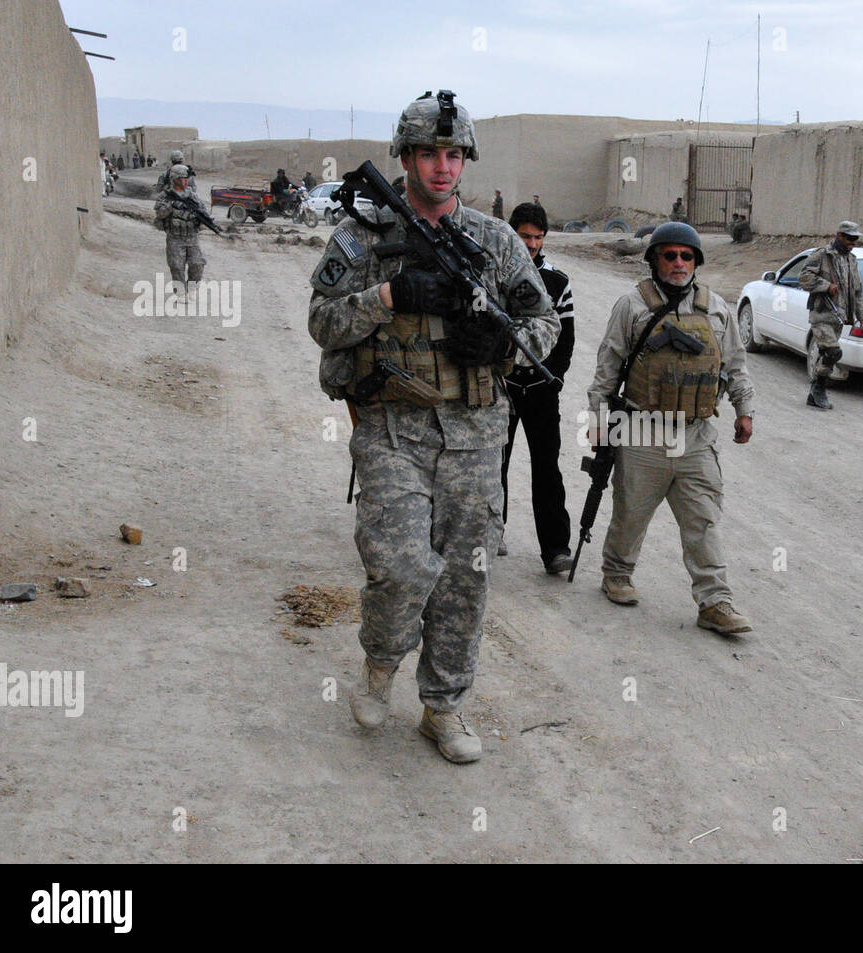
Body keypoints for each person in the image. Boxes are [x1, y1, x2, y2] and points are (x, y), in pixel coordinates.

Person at [307, 90, 558, 764]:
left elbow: (545, 324)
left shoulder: (496, 240)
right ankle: (380, 665)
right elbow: (323, 323)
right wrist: (387, 296)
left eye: (453, 154)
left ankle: (442, 708)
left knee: (465, 577)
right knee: (400, 563)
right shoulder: (364, 236)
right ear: (406, 156)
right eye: (428, 153)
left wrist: (499, 345)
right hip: (393, 428)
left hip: (476, 433)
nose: (441, 166)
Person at [587, 222, 755, 636]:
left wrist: (744, 410)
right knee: (631, 513)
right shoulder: (632, 305)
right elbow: (607, 369)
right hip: (643, 431)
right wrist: (597, 424)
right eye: (670, 255)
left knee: (703, 519)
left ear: (696, 261)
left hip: (697, 436)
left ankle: (715, 602)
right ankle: (617, 574)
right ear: (655, 260)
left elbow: (735, 365)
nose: (679, 263)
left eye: (687, 256)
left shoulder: (716, 308)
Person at [500, 202, 575, 573]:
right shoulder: (493, 275)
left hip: (542, 392)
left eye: (537, 236)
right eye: (524, 235)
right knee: (492, 463)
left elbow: (566, 338)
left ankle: (556, 550)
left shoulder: (558, 282)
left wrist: (554, 379)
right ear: (511, 233)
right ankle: (488, 532)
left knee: (547, 469)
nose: (530, 243)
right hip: (501, 389)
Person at [798, 220, 863, 410]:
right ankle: (818, 389)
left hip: (839, 316)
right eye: (849, 238)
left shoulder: (851, 260)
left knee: (827, 354)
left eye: (855, 239)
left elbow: (858, 290)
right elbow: (804, 277)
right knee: (833, 352)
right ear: (839, 236)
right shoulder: (822, 255)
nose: (852, 242)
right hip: (821, 314)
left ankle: (815, 392)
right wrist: (826, 286)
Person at [153, 165, 207, 293]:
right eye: (182, 178)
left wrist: (201, 218)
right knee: (177, 267)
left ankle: (191, 290)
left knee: (197, 265)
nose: (185, 181)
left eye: (186, 178)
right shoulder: (165, 196)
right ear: (175, 179)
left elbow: (203, 212)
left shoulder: (192, 196)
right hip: (175, 237)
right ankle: (181, 294)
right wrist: (172, 204)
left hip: (192, 237)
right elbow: (160, 214)